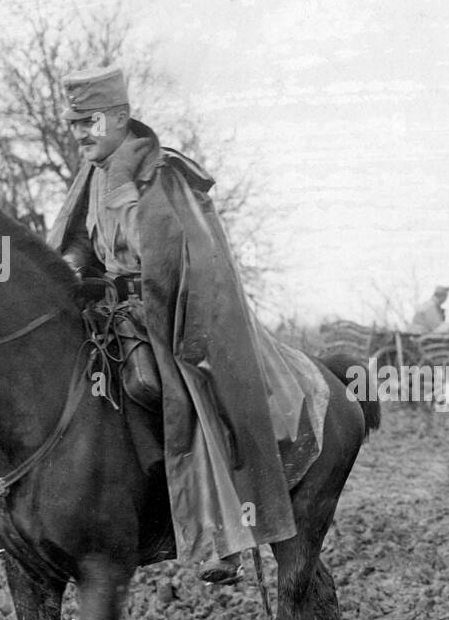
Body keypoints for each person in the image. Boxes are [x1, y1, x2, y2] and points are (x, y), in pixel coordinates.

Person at [48, 66, 326, 586]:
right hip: (110, 311)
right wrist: (70, 270)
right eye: (75, 125)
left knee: (172, 385)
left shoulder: (165, 174)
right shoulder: (90, 177)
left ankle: (224, 532)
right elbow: (80, 243)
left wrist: (147, 294)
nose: (81, 133)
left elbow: (191, 261)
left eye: (90, 121)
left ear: (121, 117)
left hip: (173, 311)